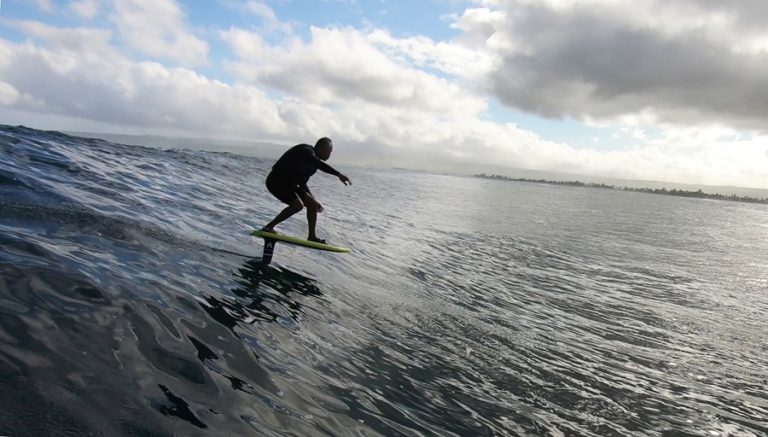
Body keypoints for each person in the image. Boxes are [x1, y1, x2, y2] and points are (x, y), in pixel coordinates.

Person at [261, 137, 351, 243]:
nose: (329, 155)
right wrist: (338, 174)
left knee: (312, 204)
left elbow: (302, 183)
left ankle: (312, 237)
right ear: (321, 148)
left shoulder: (313, 166)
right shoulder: (305, 151)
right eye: (329, 151)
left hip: (289, 185)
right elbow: (318, 164)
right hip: (276, 181)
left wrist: (313, 199)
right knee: (298, 205)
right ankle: (269, 227)